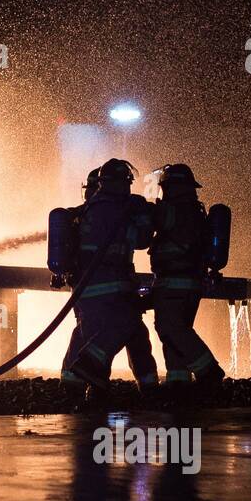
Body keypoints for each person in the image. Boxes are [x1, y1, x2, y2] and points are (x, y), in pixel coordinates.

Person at [62, 168, 159, 394]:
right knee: (126, 327)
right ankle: (145, 387)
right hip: (111, 285)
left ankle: (77, 384)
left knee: (91, 333)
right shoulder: (118, 211)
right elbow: (141, 241)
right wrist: (144, 213)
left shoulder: (81, 213)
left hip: (85, 289)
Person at [149, 163, 224, 389]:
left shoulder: (175, 210)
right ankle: (178, 381)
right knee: (175, 330)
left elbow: (151, 221)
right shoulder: (194, 211)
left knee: (171, 329)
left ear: (174, 187)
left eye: (166, 186)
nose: (164, 191)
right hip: (188, 282)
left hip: (175, 282)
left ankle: (209, 371)